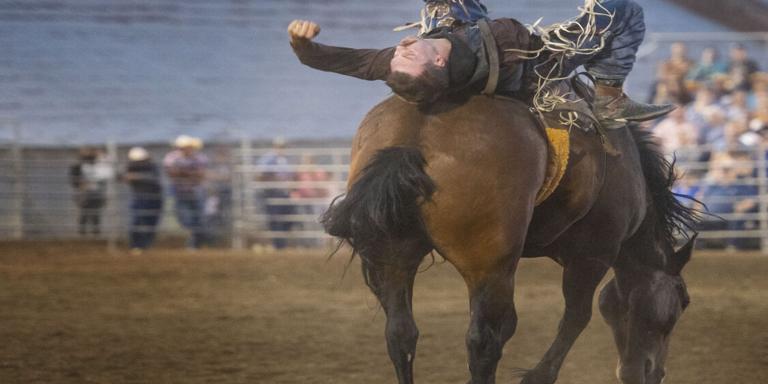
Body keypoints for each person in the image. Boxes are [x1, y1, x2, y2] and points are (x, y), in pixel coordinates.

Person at [286, 1, 672, 127]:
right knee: (622, 9)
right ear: (438, 60)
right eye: (410, 55)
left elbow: (338, 61)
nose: (400, 49)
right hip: (535, 61)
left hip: (463, 29)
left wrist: (301, 43)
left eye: (397, 58)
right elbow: (525, 49)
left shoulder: (402, 63)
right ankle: (609, 97)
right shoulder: (504, 48)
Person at [163, 136, 210, 249]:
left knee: (198, 218)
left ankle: (194, 243)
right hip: (179, 192)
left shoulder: (200, 157)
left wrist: (182, 173)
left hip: (196, 191)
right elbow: (171, 173)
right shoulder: (171, 157)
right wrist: (191, 173)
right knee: (183, 218)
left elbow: (201, 174)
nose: (187, 149)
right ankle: (195, 239)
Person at [255, 139, 297, 250]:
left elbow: (291, 175)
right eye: (279, 146)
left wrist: (290, 183)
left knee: (289, 216)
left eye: (283, 146)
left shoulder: (285, 160)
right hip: (272, 192)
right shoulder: (268, 158)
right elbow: (260, 175)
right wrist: (275, 179)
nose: (281, 149)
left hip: (284, 193)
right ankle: (279, 245)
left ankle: (280, 243)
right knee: (276, 219)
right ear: (274, 147)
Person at [123, 147, 162, 252]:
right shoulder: (131, 167)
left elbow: (152, 177)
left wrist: (135, 176)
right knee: (138, 220)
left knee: (151, 221)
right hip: (139, 197)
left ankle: (146, 245)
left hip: (154, 197)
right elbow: (123, 176)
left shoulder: (152, 166)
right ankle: (136, 245)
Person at [69, 147, 113, 238]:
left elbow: (105, 176)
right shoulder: (78, 166)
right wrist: (81, 185)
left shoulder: (99, 164)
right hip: (84, 193)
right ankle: (82, 235)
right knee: (84, 213)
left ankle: (95, 234)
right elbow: (74, 180)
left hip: (96, 192)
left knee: (96, 214)